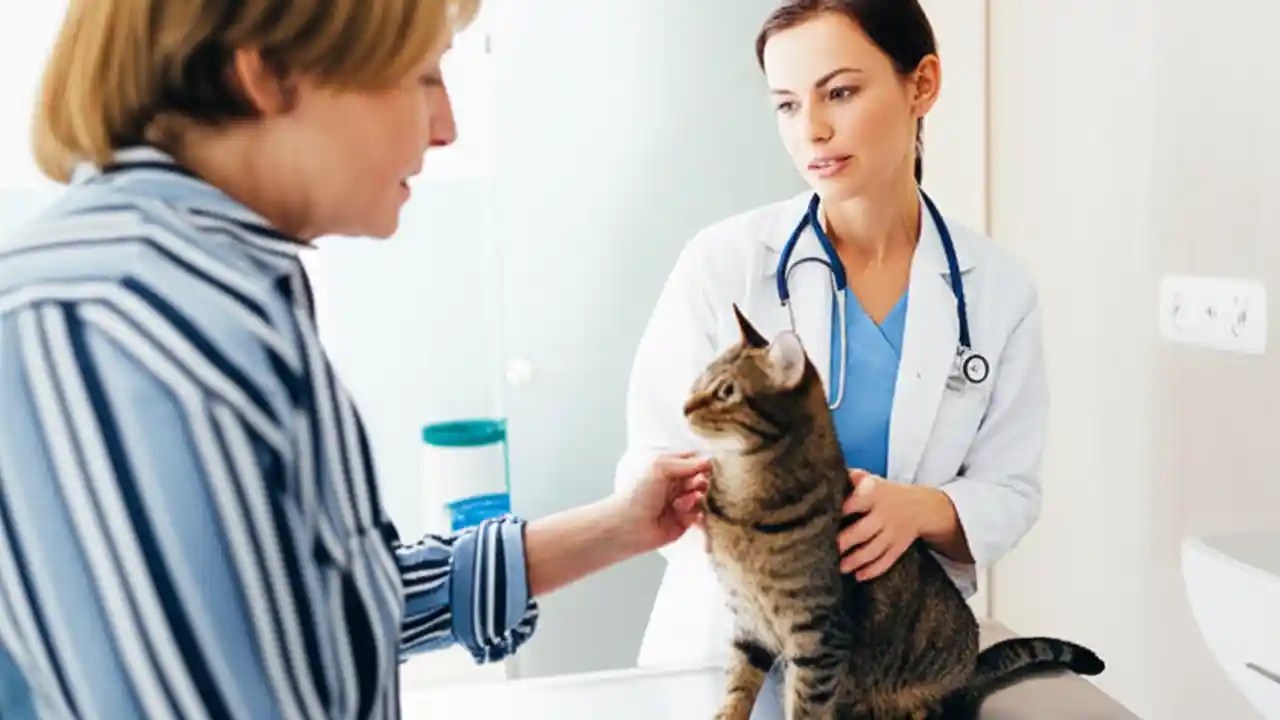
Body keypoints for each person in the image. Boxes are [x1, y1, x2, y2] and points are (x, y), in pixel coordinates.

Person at [0, 0, 710, 718]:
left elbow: (302, 617)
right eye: (423, 78)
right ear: (270, 76)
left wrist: (617, 527)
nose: (446, 128)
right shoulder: (127, 325)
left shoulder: (220, 296)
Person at [614, 0, 1047, 714]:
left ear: (922, 85)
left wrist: (925, 509)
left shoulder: (996, 290)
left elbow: (1012, 491)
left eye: (839, 92)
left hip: (889, 661)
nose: (810, 130)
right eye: (786, 104)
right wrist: (773, 559)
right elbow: (656, 458)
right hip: (731, 650)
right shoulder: (725, 265)